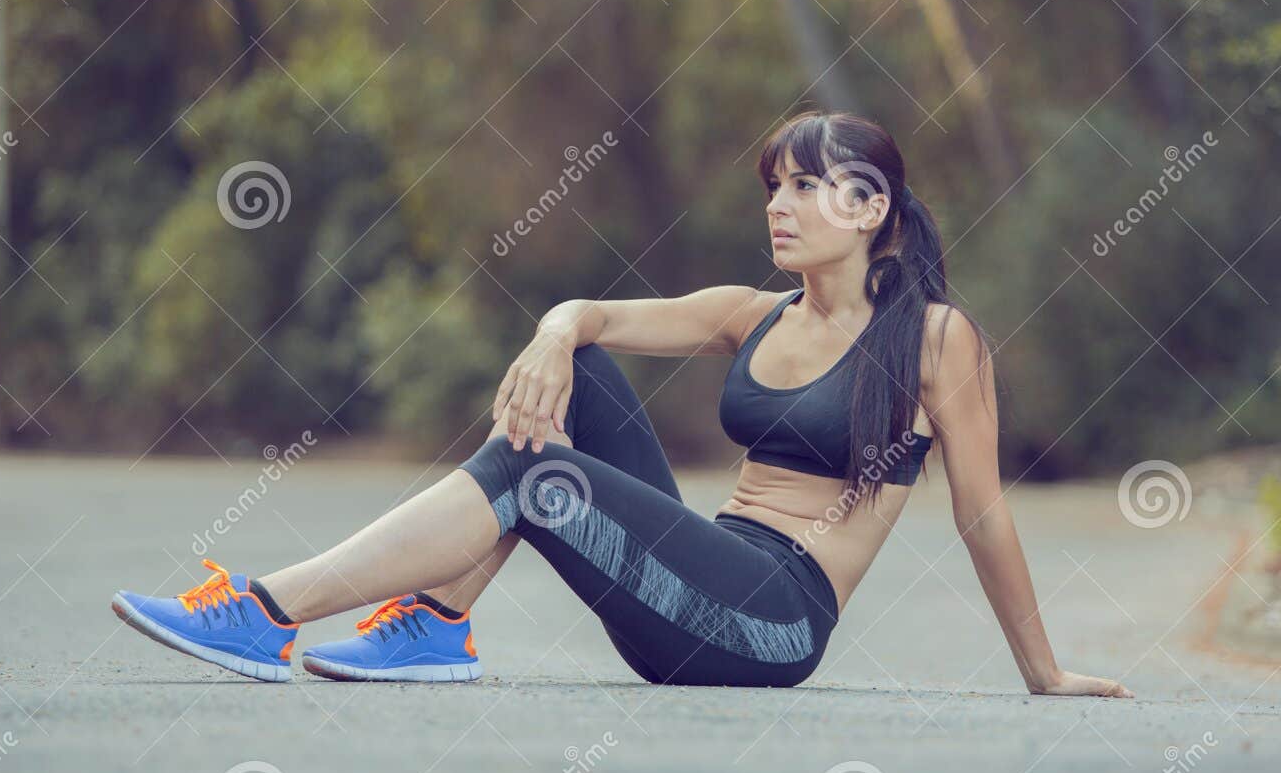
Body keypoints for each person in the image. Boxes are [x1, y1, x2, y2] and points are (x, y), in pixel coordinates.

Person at [110, 110, 1133, 697]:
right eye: (771, 187)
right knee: (574, 377)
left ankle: (263, 611)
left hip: (771, 622)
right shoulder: (750, 313)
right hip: (696, 573)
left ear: (870, 209)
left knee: (533, 473)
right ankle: (436, 627)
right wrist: (555, 334)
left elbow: (982, 513)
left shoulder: (937, 340)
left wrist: (1043, 674)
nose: (778, 205)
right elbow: (591, 314)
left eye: (806, 188)